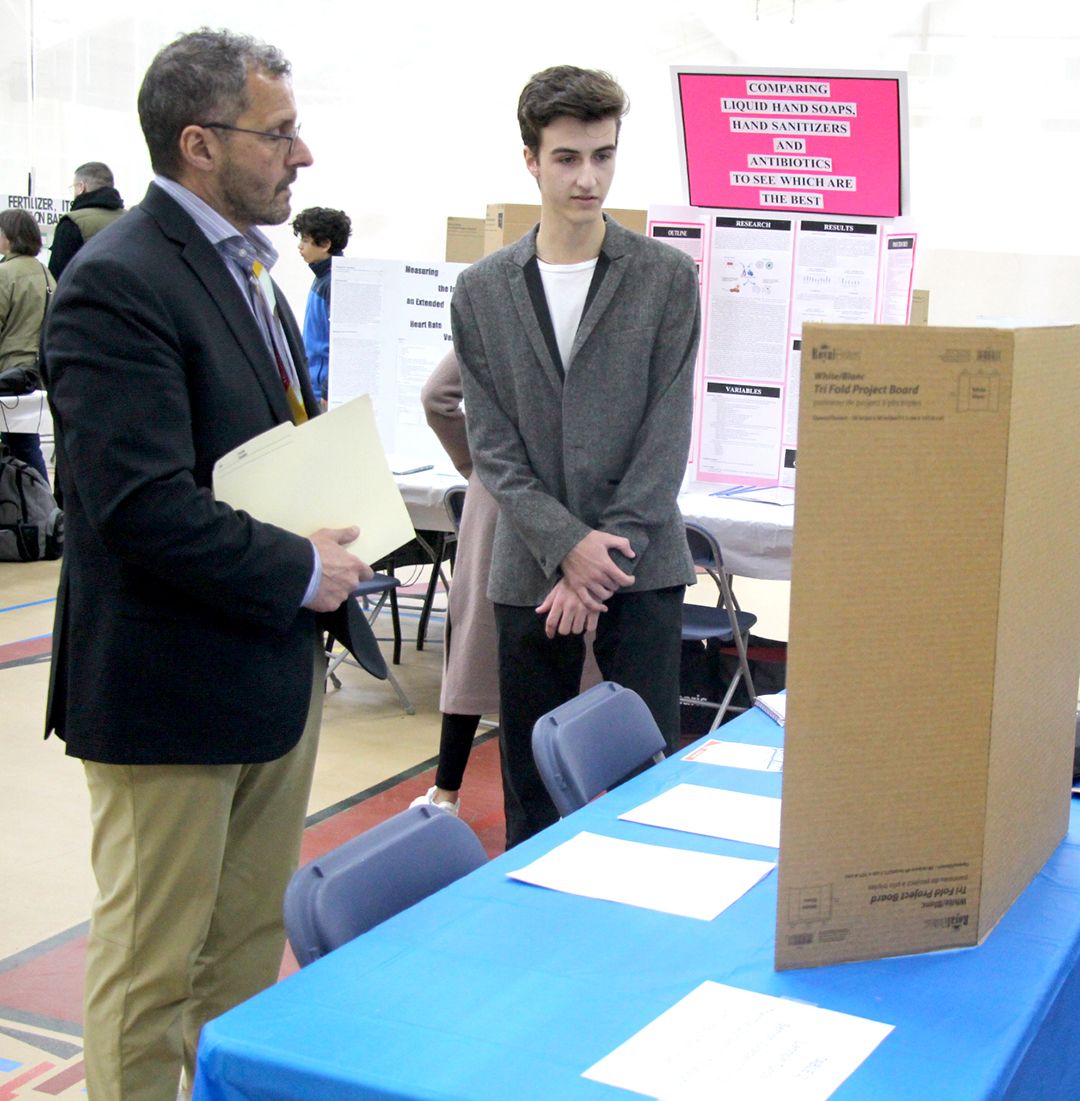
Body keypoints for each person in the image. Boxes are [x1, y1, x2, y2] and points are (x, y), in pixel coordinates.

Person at [42, 28, 371, 1101]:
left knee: (237, 959)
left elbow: (256, 452)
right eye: (278, 135)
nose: (302, 155)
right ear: (198, 144)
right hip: (165, 691)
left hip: (263, 670)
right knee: (151, 968)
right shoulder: (118, 282)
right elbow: (136, 504)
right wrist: (294, 567)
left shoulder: (249, 276)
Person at [451, 65, 701, 848]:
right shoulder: (482, 290)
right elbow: (494, 446)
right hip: (530, 567)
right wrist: (566, 548)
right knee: (530, 792)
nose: (587, 177)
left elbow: (666, 435)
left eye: (603, 155)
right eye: (566, 157)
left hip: (641, 562)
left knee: (646, 778)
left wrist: (598, 561)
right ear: (531, 160)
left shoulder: (665, 277)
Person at [0, 208, 55, 481]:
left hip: (9, 369)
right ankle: (39, 500)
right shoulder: (46, 274)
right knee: (26, 440)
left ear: (9, 237)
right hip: (37, 370)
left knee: (18, 443)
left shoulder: (5, 273)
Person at [291, 205, 351, 408]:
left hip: (324, 395)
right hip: (312, 387)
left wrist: (328, 390)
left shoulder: (336, 282)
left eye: (306, 241)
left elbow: (343, 343)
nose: (300, 247)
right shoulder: (322, 277)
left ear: (325, 244)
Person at [47, 161, 125, 281]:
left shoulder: (72, 223)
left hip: (85, 298)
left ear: (81, 187)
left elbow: (57, 276)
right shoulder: (130, 219)